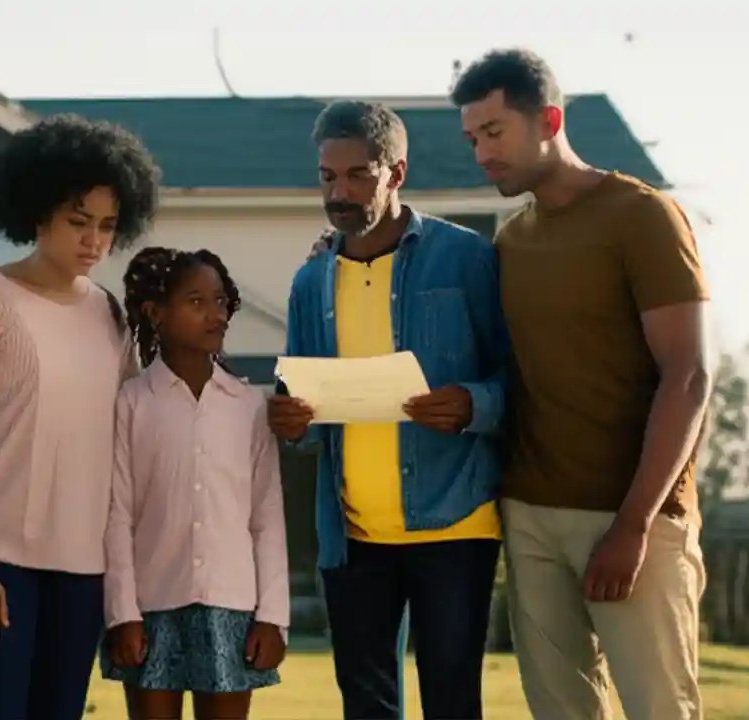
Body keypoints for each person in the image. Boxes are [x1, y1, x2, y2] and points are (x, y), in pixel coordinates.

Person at [451, 49, 712, 720]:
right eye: (473, 138)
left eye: (494, 132)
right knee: (559, 710)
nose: (481, 152)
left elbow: (687, 376)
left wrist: (634, 524)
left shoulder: (643, 216)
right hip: (532, 515)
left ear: (549, 120)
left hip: (635, 518)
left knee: (661, 709)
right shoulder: (511, 241)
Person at [268, 100, 511, 720]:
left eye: (357, 176)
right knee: (366, 707)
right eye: (327, 177)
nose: (339, 192)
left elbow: (518, 375)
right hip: (352, 535)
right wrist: (291, 420)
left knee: (453, 703)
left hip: (455, 525)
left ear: (396, 172)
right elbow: (299, 401)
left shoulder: (466, 259)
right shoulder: (309, 281)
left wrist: (473, 404)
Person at [0, 114, 160, 720]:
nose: (94, 241)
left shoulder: (108, 314)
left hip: (83, 570)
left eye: (106, 225)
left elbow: (135, 430)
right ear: (36, 212)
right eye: (78, 222)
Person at [101, 247, 289, 720]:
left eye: (222, 302)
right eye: (197, 301)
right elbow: (116, 514)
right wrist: (122, 613)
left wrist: (272, 616)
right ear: (156, 312)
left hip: (233, 608)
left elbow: (266, 519)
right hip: (150, 607)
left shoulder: (249, 406)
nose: (216, 314)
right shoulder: (130, 404)